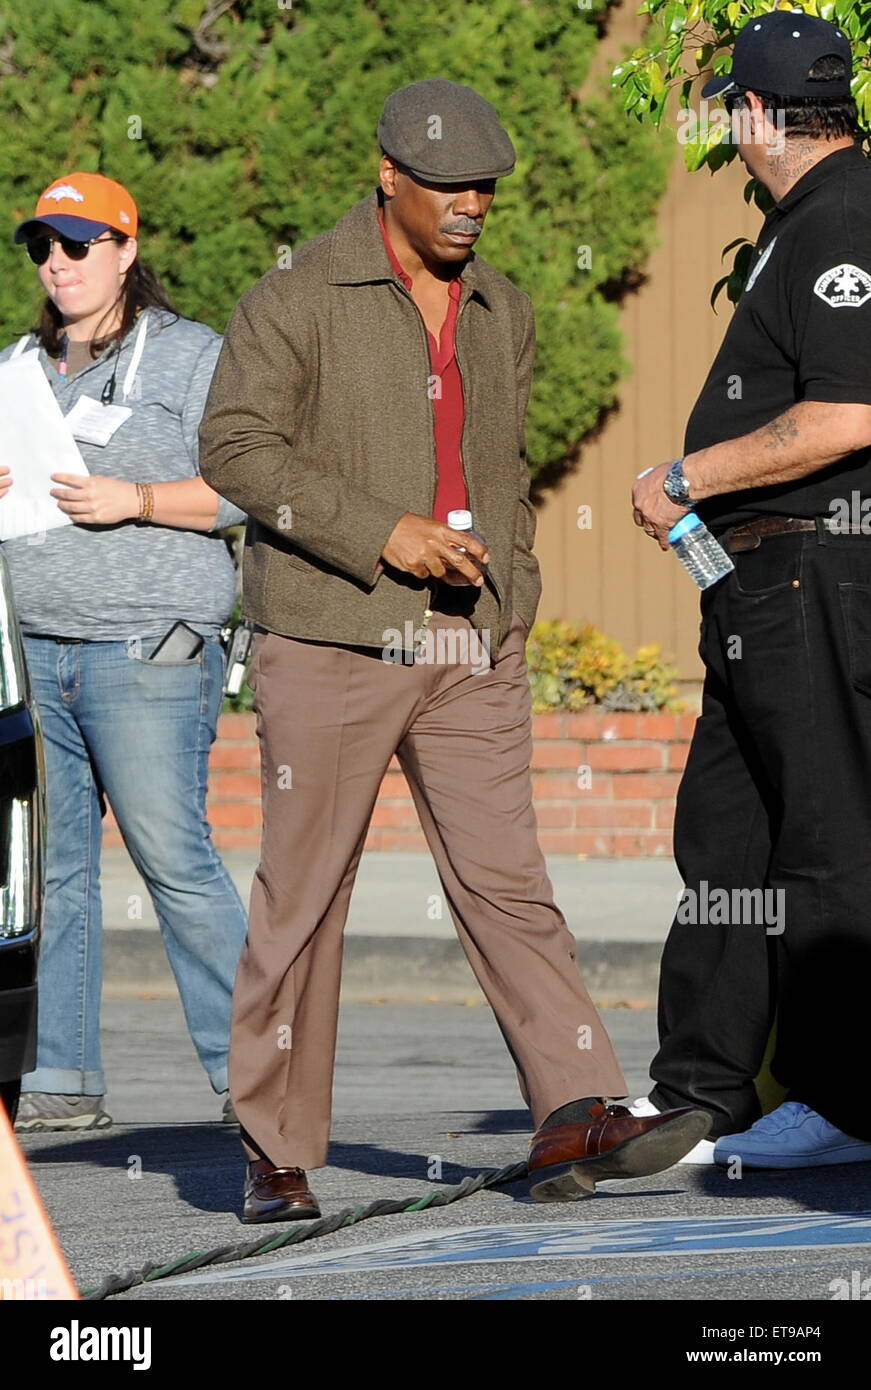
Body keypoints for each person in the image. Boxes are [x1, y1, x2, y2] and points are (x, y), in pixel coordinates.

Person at [199, 78, 709, 1223]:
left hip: (468, 642)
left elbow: (508, 468)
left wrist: (512, 593)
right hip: (333, 633)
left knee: (507, 880)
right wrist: (381, 533)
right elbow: (232, 444)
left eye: (485, 186)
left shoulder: (503, 308)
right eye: (447, 185)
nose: (470, 204)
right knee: (307, 890)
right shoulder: (296, 294)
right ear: (388, 177)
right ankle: (274, 1144)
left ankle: (576, 1106)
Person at [632, 14, 871, 1168]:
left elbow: (846, 414)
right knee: (726, 839)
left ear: (756, 115)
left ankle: (836, 1098)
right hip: (754, 583)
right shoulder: (801, 221)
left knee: (824, 834)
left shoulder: (848, 212)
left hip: (820, 566)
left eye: (731, 109)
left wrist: (683, 476)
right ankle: (700, 1093)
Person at [1, 171, 249, 1131]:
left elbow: (241, 492)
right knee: (53, 870)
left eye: (77, 244)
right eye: (43, 249)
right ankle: (60, 1081)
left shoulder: (192, 357)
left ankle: (252, 1077)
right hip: (34, 651)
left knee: (173, 858)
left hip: (148, 648)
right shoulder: (18, 366)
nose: (57, 264)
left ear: (126, 250)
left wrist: (134, 500)